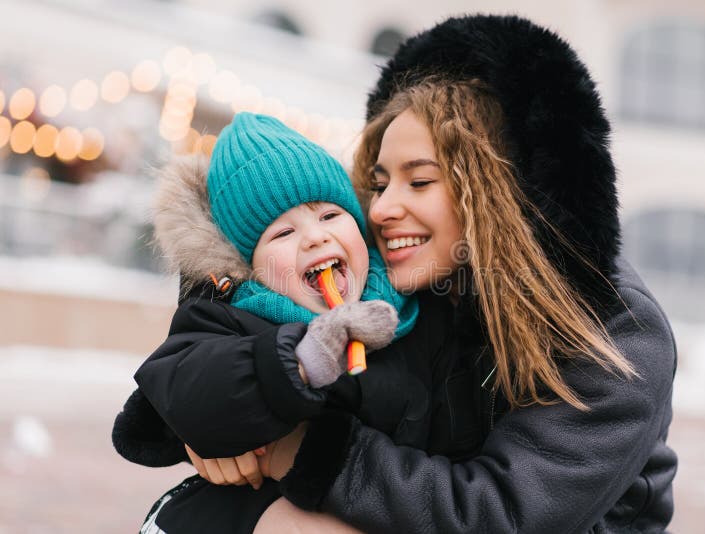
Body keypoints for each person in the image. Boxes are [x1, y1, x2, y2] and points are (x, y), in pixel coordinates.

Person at [127, 14, 679, 533]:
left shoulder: (613, 329)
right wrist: (221, 424)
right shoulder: (409, 279)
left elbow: (502, 513)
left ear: (501, 188)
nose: (382, 208)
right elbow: (231, 315)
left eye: (419, 182)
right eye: (379, 182)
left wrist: (292, 449)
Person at [113, 112, 452, 533]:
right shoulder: (234, 317)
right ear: (250, 265)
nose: (315, 237)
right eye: (283, 233)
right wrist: (299, 361)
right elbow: (183, 393)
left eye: (330, 216)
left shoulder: (412, 308)